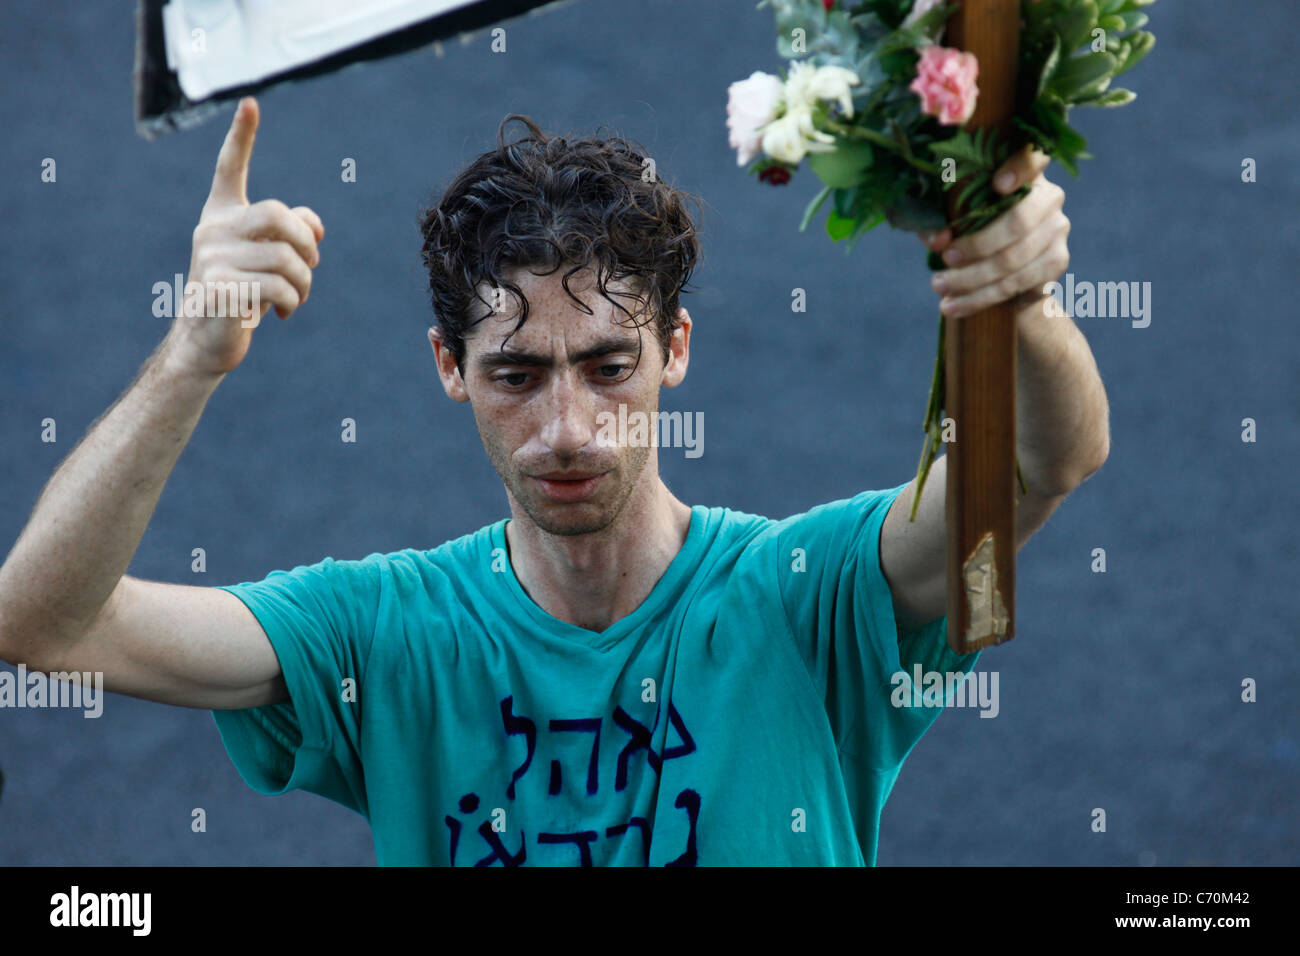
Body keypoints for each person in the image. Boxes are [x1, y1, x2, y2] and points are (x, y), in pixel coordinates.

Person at [0, 96, 1107, 866]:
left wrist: (1021, 293)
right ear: (450, 368)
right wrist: (190, 357)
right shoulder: (380, 632)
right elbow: (45, 624)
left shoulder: (806, 594)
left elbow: (1045, 459)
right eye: (515, 375)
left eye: (609, 365)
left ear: (676, 348)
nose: (566, 427)